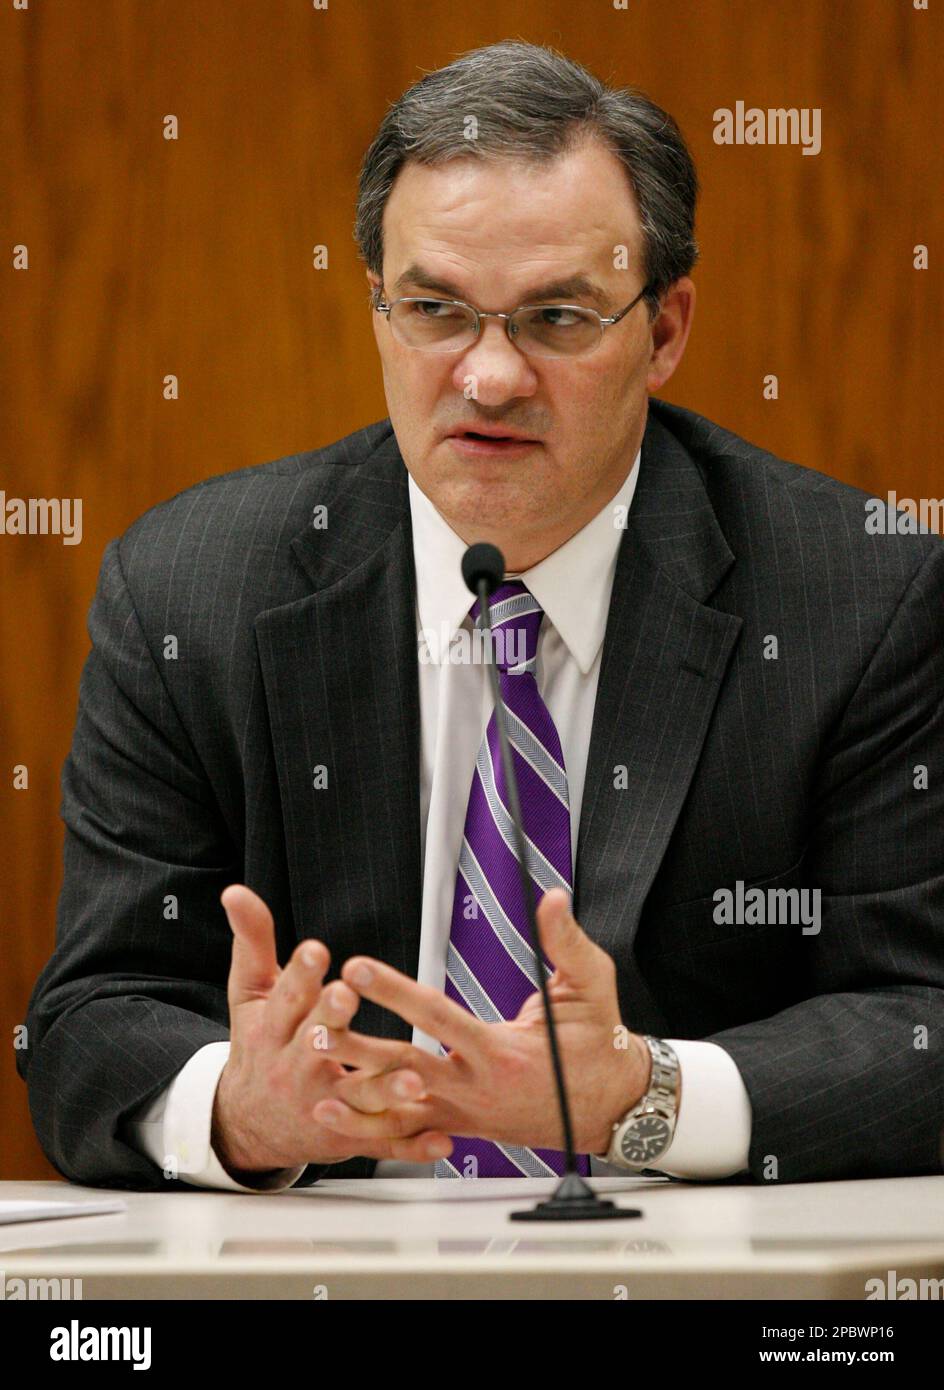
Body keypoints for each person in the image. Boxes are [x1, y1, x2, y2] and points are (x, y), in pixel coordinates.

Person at [19, 41, 944, 1192]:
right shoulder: (189, 592)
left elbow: (921, 1020)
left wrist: (642, 1094)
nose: (489, 376)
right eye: (435, 309)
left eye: (555, 316)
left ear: (664, 331)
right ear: (375, 311)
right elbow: (88, 1020)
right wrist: (241, 1108)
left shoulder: (857, 594)